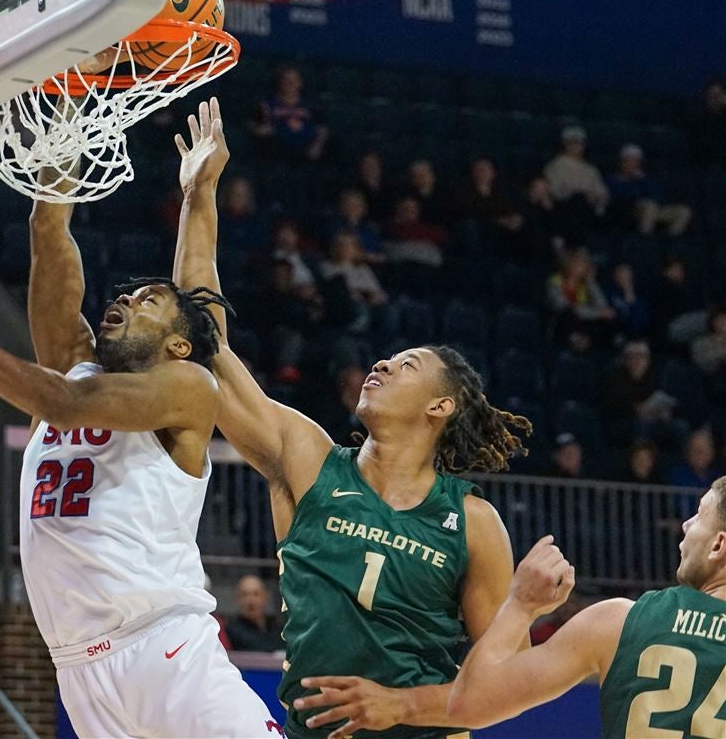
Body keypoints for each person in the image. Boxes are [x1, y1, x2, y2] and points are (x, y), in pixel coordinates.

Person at [174, 98, 529, 739]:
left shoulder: (473, 522)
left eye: (408, 365)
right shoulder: (308, 460)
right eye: (388, 358)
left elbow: (509, 687)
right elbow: (204, 343)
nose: (383, 363)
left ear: (440, 407)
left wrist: (402, 706)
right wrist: (199, 197)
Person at [0, 176, 277, 736]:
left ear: (178, 345)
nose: (125, 299)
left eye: (148, 301)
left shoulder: (188, 386)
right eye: (128, 294)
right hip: (78, 668)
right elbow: (48, 235)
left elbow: (63, 403)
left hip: (166, 650)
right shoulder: (75, 367)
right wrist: (52, 175)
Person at [447, 479, 726, 736]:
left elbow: (470, 703)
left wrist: (520, 605)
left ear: (718, 545)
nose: (686, 524)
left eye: (699, 515)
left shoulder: (620, 620)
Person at [606, 144, 691, 236]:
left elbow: (660, 195)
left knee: (683, 211)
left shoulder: (645, 179)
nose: (633, 164)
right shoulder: (613, 179)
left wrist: (643, 180)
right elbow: (618, 198)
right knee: (649, 206)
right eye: (629, 161)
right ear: (622, 162)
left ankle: (671, 240)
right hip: (630, 211)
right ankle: (645, 239)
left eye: (636, 161)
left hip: (655, 209)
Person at [226, 574, 285, 652]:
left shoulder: (277, 629)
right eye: (245, 595)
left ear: (265, 597)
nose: (251, 601)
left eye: (256, 594)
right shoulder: (232, 632)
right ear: (238, 599)